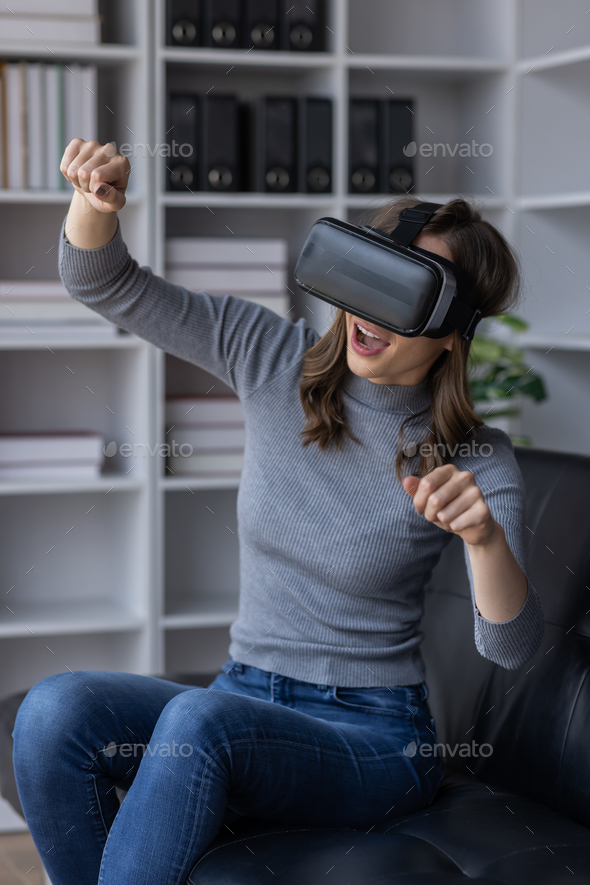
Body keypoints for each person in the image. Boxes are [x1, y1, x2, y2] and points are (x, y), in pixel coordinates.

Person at [13, 140, 544, 885]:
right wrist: (94, 203)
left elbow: (513, 647)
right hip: (244, 691)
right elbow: (106, 282)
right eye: (371, 272)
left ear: (454, 330)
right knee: (52, 710)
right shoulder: (269, 355)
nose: (371, 307)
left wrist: (484, 537)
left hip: (376, 736)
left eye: (410, 290)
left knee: (198, 723)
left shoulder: (475, 456)